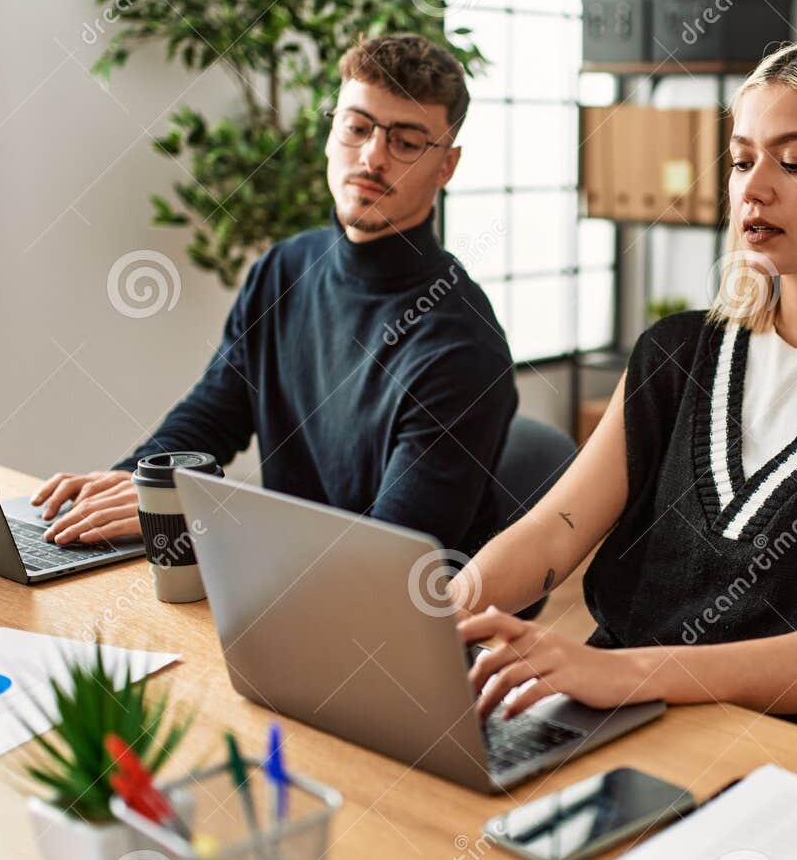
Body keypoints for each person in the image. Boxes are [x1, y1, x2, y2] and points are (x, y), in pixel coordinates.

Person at [453, 40, 797, 750]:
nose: (753, 189)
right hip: (616, 717)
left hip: (787, 751)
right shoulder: (676, 354)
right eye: (741, 160)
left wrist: (626, 674)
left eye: (795, 163)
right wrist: (444, 610)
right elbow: (557, 528)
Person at [32, 34, 517, 555]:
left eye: (406, 142)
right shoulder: (284, 269)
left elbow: (384, 555)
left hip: (379, 601)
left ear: (446, 166)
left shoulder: (463, 346)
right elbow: (213, 415)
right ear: (331, 132)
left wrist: (195, 519)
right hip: (272, 576)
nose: (372, 156)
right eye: (357, 128)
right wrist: (136, 482)